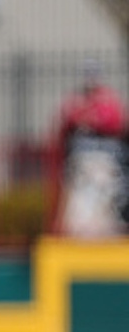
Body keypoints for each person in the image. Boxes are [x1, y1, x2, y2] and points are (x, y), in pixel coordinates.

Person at [52, 59, 127, 238]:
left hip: (105, 162)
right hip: (80, 163)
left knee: (107, 202)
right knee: (79, 204)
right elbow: (67, 118)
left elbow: (115, 122)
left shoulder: (109, 98)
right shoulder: (75, 99)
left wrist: (90, 119)